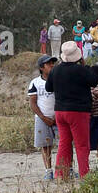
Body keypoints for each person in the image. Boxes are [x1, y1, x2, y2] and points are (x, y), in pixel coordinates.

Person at [45, 40, 98, 179]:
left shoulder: (56, 70)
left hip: (60, 111)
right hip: (78, 112)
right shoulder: (81, 70)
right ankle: (84, 175)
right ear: (78, 56)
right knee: (82, 145)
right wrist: (87, 66)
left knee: (64, 143)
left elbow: (48, 88)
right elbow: (94, 80)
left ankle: (60, 174)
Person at [27, 54, 58, 182]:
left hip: (58, 116)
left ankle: (68, 169)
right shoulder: (35, 83)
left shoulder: (58, 79)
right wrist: (43, 117)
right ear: (41, 67)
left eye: (52, 63)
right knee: (45, 146)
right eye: (48, 64)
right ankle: (48, 171)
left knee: (64, 143)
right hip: (42, 118)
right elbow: (33, 103)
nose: (51, 65)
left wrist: (57, 115)